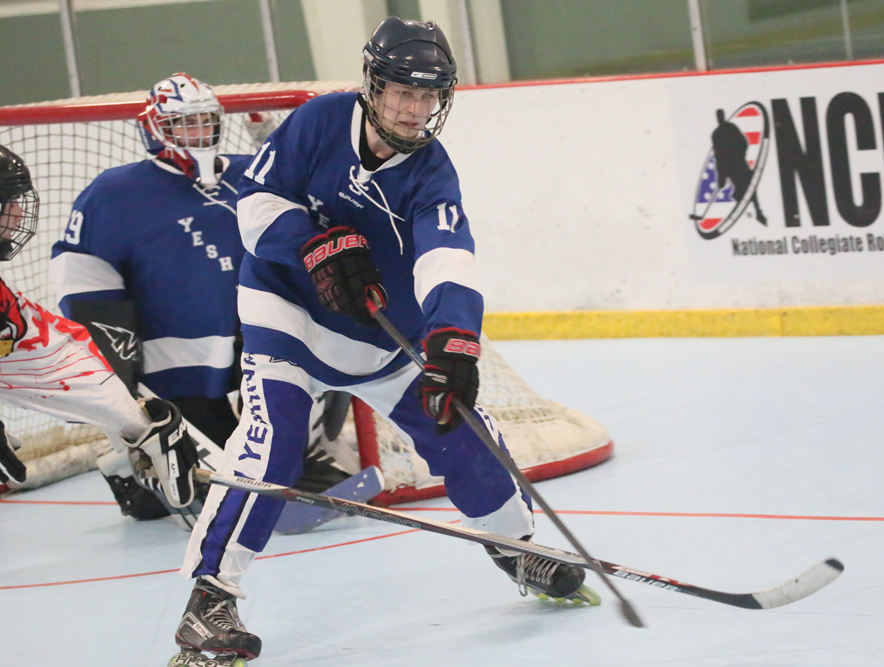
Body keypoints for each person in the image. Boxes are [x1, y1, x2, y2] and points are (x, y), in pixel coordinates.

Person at [171, 17, 593, 663]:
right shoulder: (318, 122)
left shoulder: (432, 173)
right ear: (373, 83)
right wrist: (310, 245)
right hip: (286, 311)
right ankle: (209, 597)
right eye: (401, 90)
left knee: (464, 431)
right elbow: (254, 204)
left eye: (428, 95)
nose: (413, 108)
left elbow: (447, 260)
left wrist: (454, 342)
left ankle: (515, 546)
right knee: (275, 437)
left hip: (380, 338)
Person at [49, 74, 346, 520]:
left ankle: (298, 466)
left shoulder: (250, 171)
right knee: (193, 486)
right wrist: (110, 347)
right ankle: (127, 470)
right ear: (155, 129)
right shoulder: (113, 194)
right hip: (175, 356)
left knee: (288, 428)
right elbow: (81, 269)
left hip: (258, 337)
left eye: (206, 121)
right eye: (184, 124)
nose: (199, 133)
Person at [0, 142, 199, 516]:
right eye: (8, 202)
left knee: (127, 414)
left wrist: (134, 424)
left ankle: (129, 459)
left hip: (28, 347)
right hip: (21, 347)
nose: (17, 213)